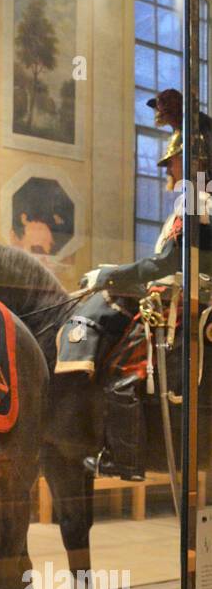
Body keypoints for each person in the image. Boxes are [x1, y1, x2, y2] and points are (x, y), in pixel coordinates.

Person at [79, 88, 212, 480]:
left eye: (172, 162)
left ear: (189, 161)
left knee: (123, 372)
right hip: (177, 295)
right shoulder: (194, 198)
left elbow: (168, 262)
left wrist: (110, 275)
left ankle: (126, 459)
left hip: (189, 302)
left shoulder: (199, 200)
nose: (167, 171)